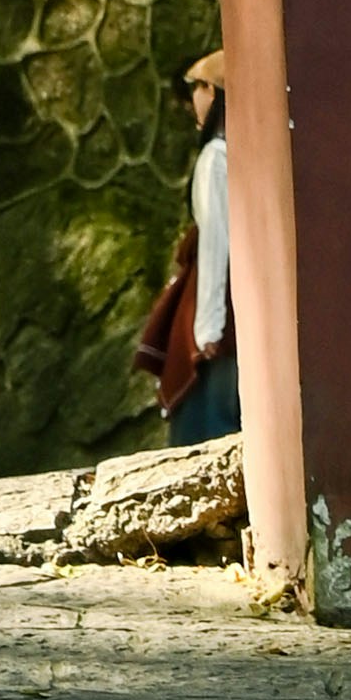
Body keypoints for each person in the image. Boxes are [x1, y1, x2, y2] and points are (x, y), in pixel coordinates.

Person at [133, 47, 241, 446]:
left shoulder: (217, 157)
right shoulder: (248, 152)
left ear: (216, 94)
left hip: (220, 323)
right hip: (244, 321)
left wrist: (207, 327)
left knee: (208, 432)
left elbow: (217, 244)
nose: (193, 98)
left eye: (200, 86)